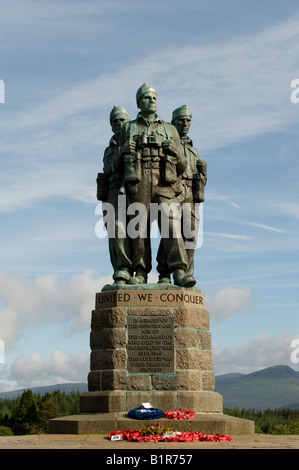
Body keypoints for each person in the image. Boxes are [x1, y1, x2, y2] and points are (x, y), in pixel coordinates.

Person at [118, 84, 195, 287]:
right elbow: (115, 165)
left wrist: (176, 153)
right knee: (139, 228)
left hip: (163, 182)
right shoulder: (128, 128)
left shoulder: (169, 129)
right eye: (146, 98)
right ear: (138, 102)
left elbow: (183, 165)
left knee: (171, 223)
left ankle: (178, 270)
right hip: (139, 180)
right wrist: (124, 150)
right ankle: (140, 271)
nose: (151, 101)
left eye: (154, 98)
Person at [157, 105, 207, 282]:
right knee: (171, 231)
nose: (185, 123)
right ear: (173, 123)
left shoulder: (194, 151)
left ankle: (187, 274)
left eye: (188, 120)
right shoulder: (167, 144)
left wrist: (202, 176)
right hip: (173, 192)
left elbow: (201, 179)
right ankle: (164, 271)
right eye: (181, 120)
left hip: (191, 196)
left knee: (191, 234)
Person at [97, 106, 133, 284]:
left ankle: (128, 269)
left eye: (122, 120)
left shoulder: (135, 144)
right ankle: (120, 270)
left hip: (131, 192)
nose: (119, 124)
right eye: (115, 121)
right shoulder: (109, 149)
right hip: (111, 193)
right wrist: (121, 153)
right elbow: (109, 168)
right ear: (111, 125)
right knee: (114, 233)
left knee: (131, 232)